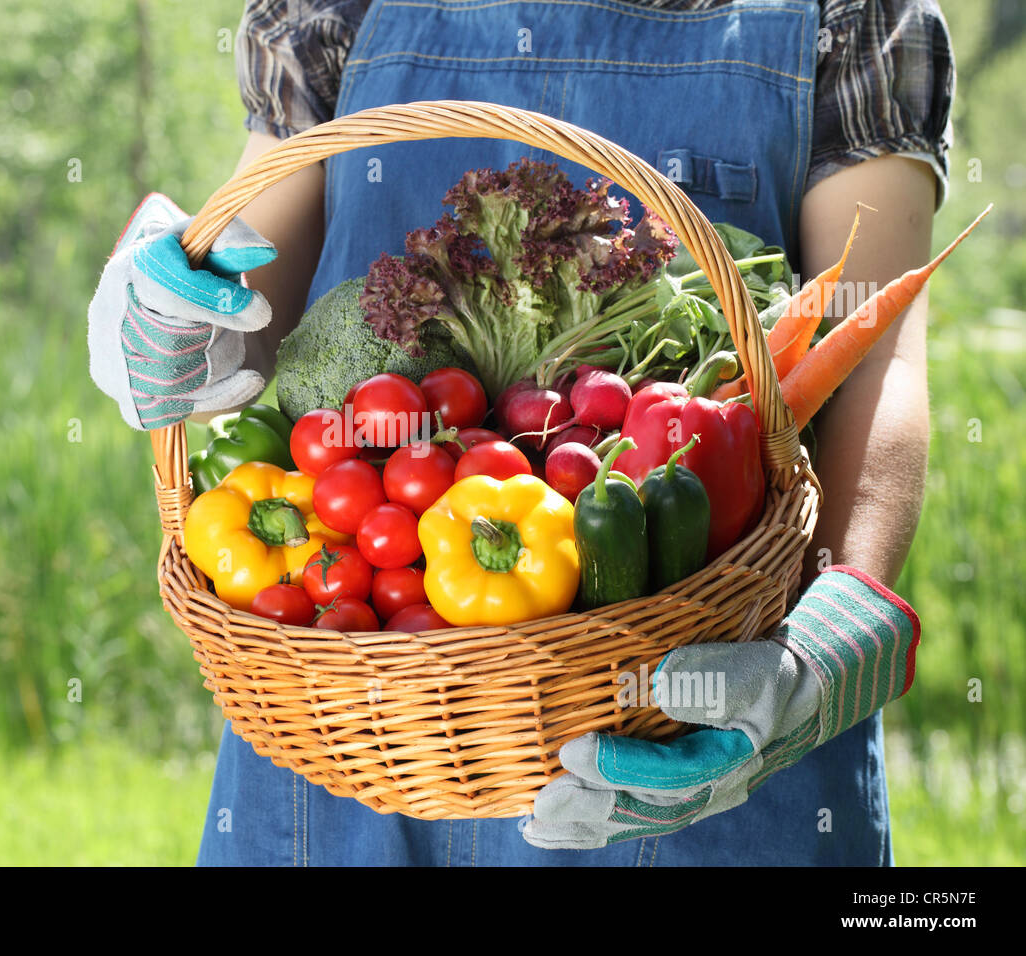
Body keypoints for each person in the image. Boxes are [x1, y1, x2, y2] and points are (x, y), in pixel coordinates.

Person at [87, 0, 952, 865]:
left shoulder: (854, 15)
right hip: (353, 697)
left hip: (697, 702)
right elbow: (253, 301)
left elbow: (873, 359)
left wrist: (826, 649)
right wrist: (181, 327)